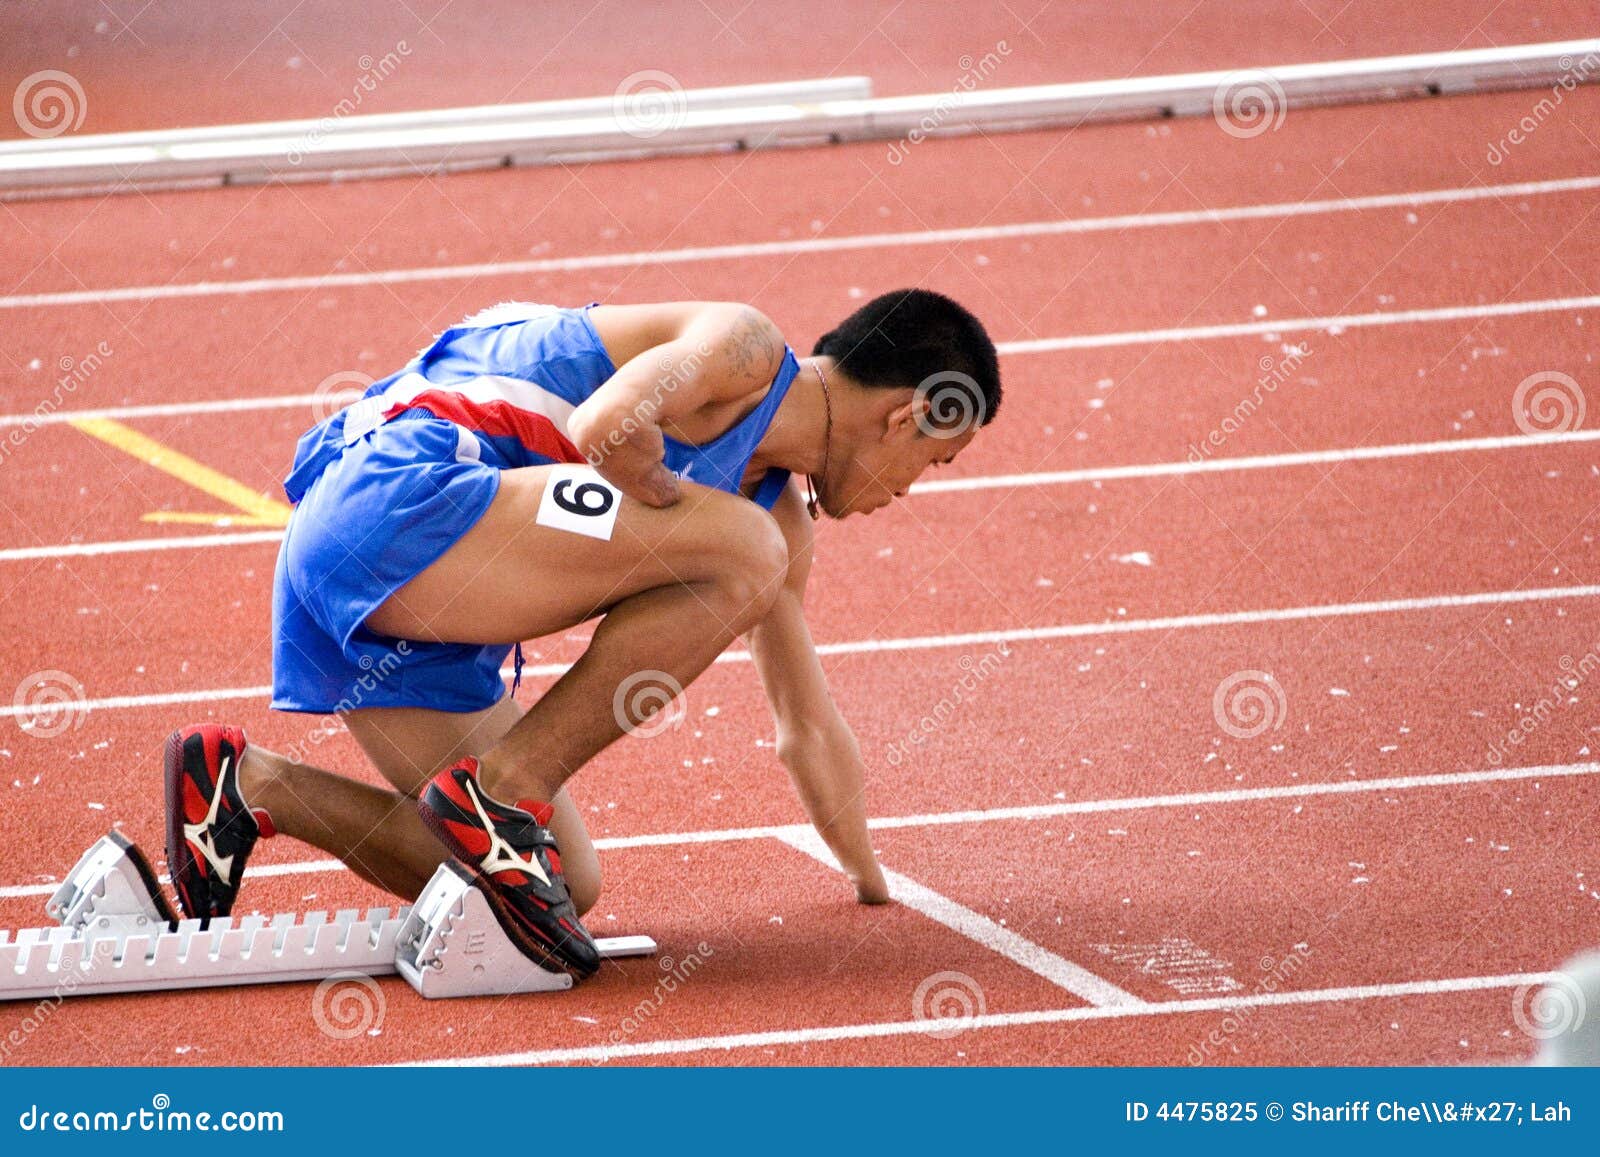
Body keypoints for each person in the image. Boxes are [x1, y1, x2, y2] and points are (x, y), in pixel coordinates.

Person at [163, 290, 1001, 977]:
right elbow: (608, 423)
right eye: (937, 460)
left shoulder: (772, 510)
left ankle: (251, 787)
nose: (912, 488)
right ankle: (504, 790)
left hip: (408, 590)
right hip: (393, 501)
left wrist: (867, 876)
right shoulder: (744, 345)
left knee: (563, 876)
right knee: (748, 549)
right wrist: (679, 512)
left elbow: (805, 723)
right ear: (908, 416)